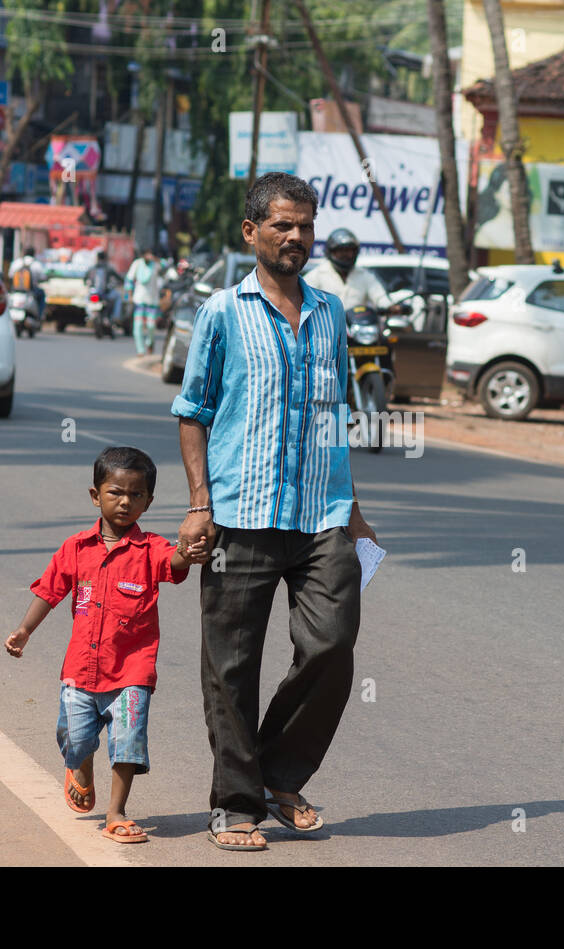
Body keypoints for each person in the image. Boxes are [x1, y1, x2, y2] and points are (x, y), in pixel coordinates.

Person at [170, 171, 376, 851]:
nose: (297, 237)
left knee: (332, 643)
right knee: (231, 664)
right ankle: (235, 803)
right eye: (283, 224)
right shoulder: (223, 312)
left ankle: (279, 775)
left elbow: (332, 417)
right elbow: (193, 413)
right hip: (239, 513)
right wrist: (200, 505)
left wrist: (353, 510)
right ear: (251, 232)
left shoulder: (329, 312)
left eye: (305, 225)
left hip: (320, 513)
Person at [4, 446, 207, 843]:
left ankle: (117, 812)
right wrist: (25, 630)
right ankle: (78, 765)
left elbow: (176, 562)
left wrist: (190, 551)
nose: (125, 502)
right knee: (75, 740)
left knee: (128, 741)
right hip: (80, 671)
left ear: (148, 502)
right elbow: (49, 592)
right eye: (115, 492)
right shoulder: (75, 549)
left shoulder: (151, 550)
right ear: (96, 496)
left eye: (136, 495)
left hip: (132, 671)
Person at [304, 228, 409, 319]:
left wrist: (392, 308)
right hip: (325, 330)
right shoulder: (317, 275)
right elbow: (302, 299)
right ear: (331, 252)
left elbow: (380, 297)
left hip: (359, 331)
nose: (346, 255)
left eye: (350, 250)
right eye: (341, 251)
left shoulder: (364, 275)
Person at [124, 247, 163, 357]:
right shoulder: (137, 264)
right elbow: (129, 279)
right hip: (139, 299)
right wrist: (129, 296)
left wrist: (156, 259)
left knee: (151, 326)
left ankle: (150, 343)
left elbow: (165, 266)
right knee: (138, 325)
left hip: (152, 300)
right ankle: (140, 350)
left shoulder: (155, 265)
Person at [9, 246, 47, 323]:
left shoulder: (16, 262)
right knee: (42, 294)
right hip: (31, 291)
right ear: (34, 254)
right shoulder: (37, 264)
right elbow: (42, 277)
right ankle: (40, 316)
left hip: (15, 291)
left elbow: (10, 275)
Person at [85, 250, 122, 328]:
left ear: (97, 258)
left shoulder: (91, 268)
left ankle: (90, 315)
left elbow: (85, 279)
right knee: (118, 296)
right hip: (106, 293)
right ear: (105, 258)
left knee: (86, 298)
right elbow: (119, 278)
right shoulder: (108, 268)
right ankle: (116, 316)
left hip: (94, 293)